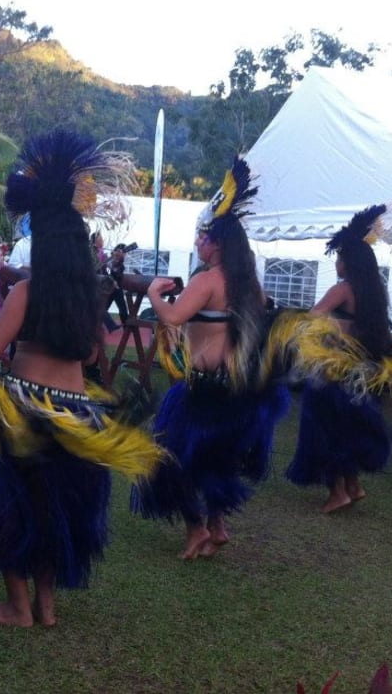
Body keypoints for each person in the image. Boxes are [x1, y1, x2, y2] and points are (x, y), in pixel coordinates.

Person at [0, 131, 162, 627]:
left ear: (43, 246)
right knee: (55, 510)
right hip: (76, 415)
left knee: (9, 505)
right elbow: (91, 353)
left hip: (23, 410)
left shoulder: (26, 292)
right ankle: (47, 607)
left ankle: (18, 607)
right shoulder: (88, 298)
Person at [131, 158, 289, 559]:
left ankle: (196, 529)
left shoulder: (206, 280)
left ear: (217, 244)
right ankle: (217, 526)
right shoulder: (249, 285)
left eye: (202, 236)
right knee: (218, 460)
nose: (198, 242)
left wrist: (153, 293)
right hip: (238, 392)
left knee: (172, 459)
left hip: (202, 391)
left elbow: (172, 317)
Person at [280, 204, 392, 513]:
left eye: (339, 257)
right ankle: (353, 486)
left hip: (334, 371)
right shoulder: (374, 293)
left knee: (326, 429)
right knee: (349, 428)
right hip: (362, 371)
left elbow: (312, 318)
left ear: (350, 261)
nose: (337, 262)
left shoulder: (342, 290)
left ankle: (337, 492)